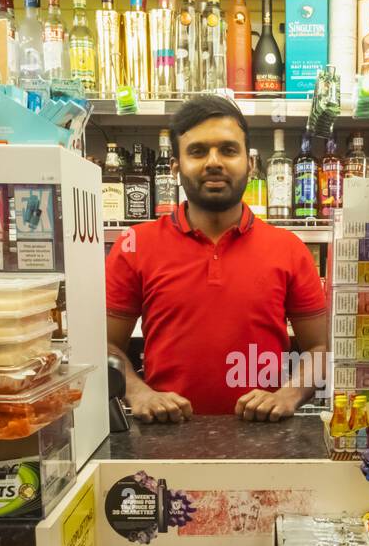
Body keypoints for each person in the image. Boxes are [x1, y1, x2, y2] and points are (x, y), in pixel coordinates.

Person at [105, 95, 328, 422]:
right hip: (164, 441)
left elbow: (319, 352)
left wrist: (288, 395)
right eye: (197, 151)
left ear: (250, 165)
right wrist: (140, 393)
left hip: (264, 440)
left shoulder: (289, 249)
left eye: (228, 149)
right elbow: (105, 347)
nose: (213, 161)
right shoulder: (134, 245)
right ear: (175, 166)